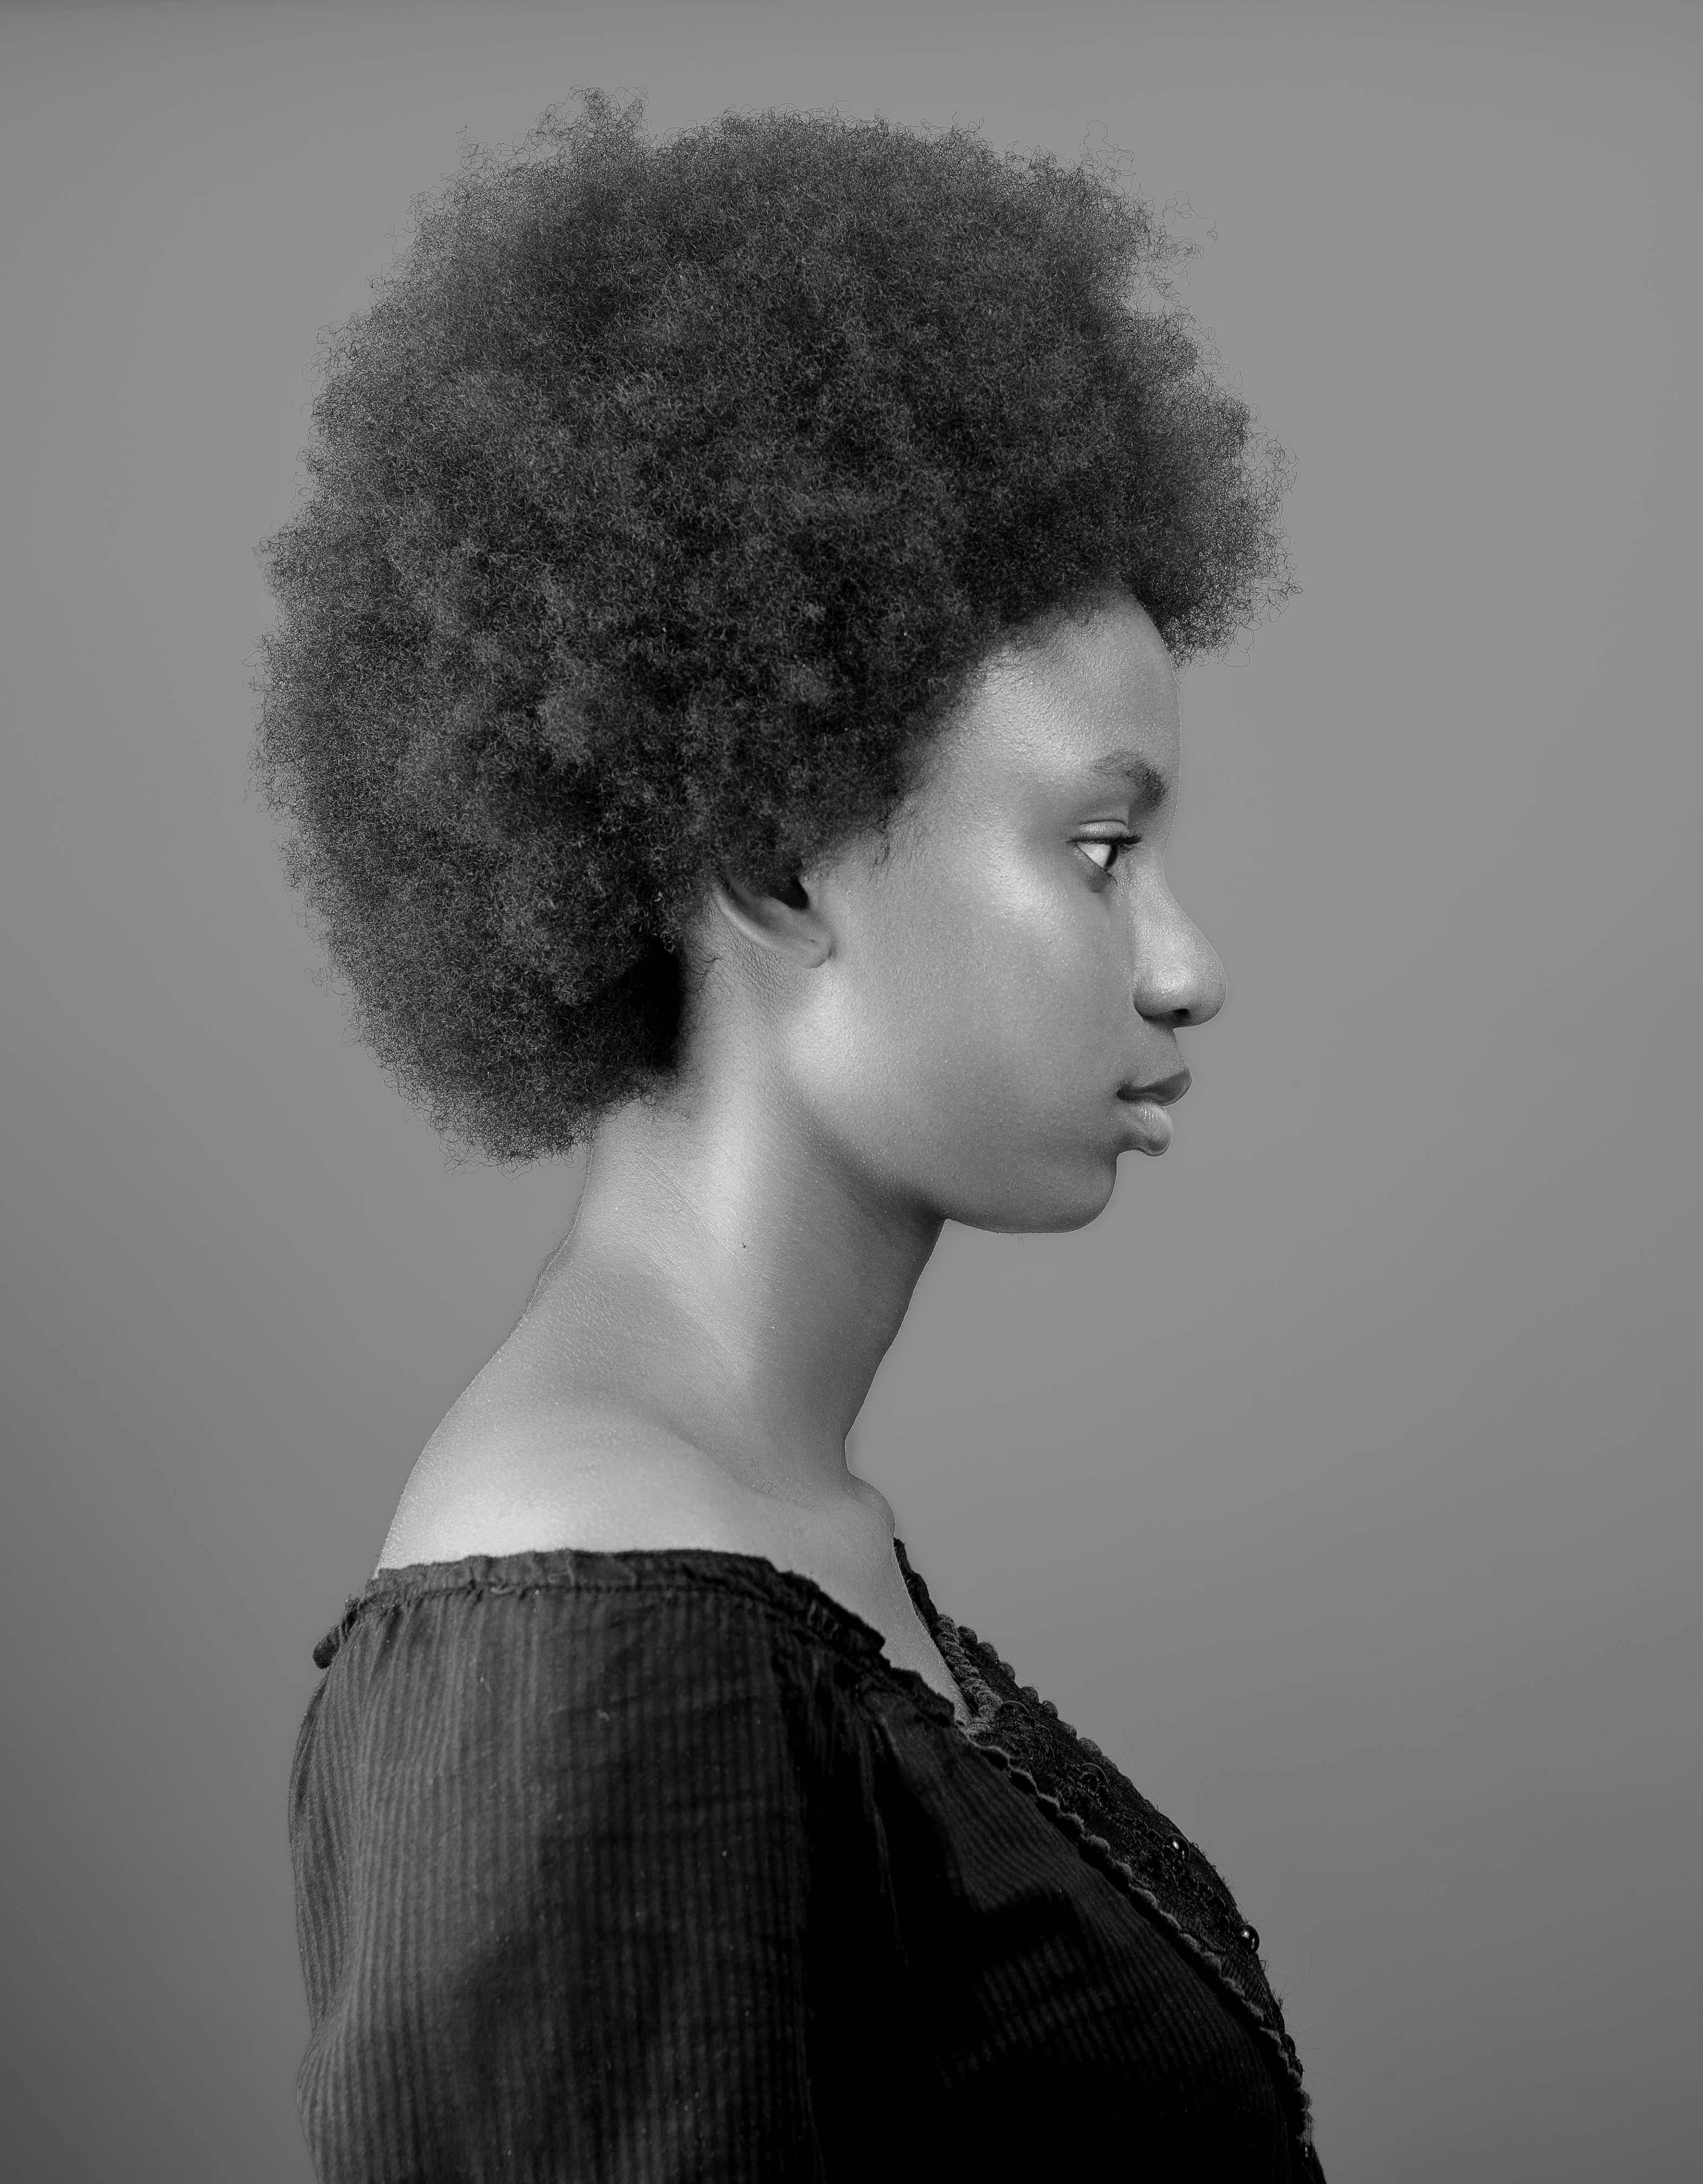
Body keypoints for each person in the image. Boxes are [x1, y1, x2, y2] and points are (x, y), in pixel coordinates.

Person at [259, 92, 1316, 2180]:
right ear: (775, 857)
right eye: (1099, 853)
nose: (1188, 968)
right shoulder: (599, 1638)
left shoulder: (766, 1541)